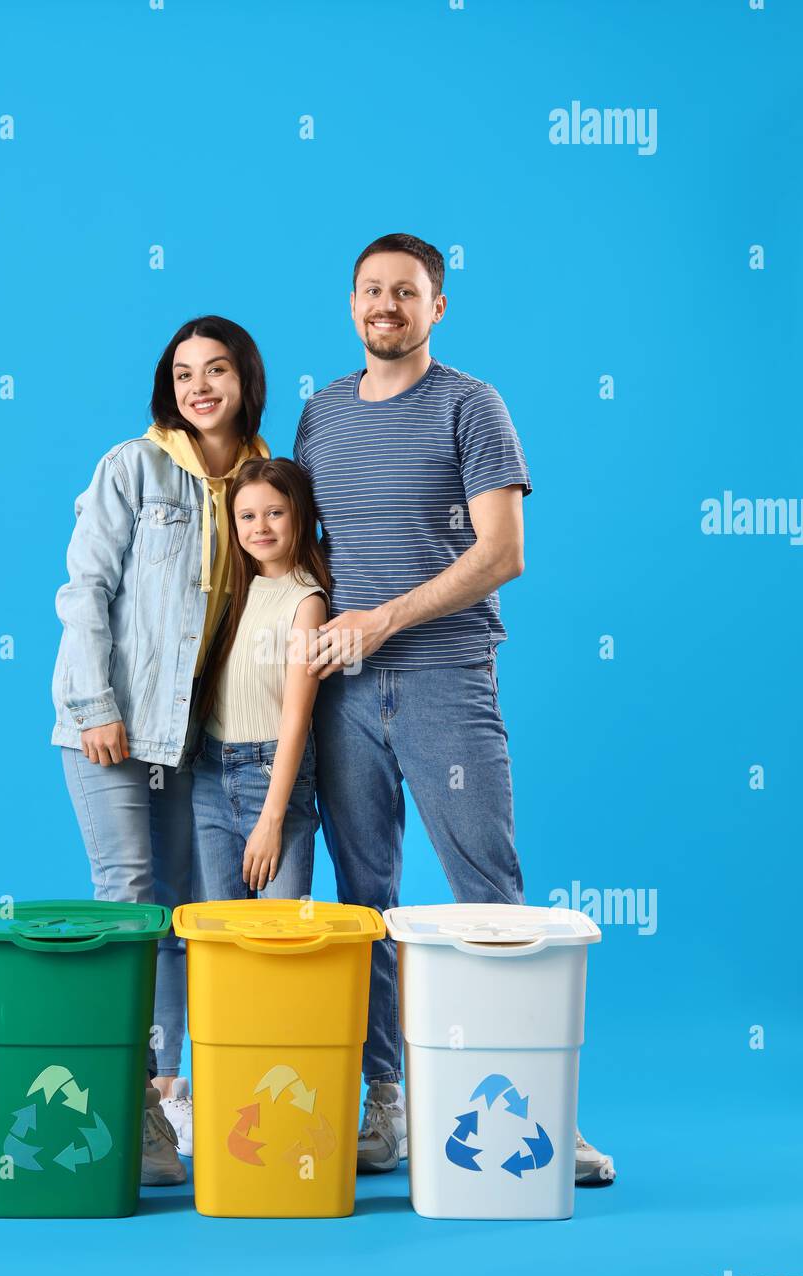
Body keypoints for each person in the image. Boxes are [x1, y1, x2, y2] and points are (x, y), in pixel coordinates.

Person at [294, 232, 615, 1187]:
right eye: (369, 291)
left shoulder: (473, 406)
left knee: (490, 898)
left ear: (437, 307)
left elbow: (503, 552)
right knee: (366, 905)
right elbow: (309, 549)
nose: (384, 305)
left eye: (405, 291)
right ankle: (385, 1105)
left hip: (445, 679)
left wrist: (382, 619)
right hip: (340, 696)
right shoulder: (319, 415)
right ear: (351, 305)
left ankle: (535, 1112)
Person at [50, 315, 270, 1185]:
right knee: (132, 901)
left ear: (247, 380)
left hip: (192, 740)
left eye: (217, 370)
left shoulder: (262, 480)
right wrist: (96, 702)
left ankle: (177, 1088)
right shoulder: (131, 468)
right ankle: (131, 1097)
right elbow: (84, 591)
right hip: (107, 727)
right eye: (184, 374)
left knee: (183, 915)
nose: (200, 387)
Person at [190, 458, 330, 901]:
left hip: (272, 777)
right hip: (211, 770)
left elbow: (296, 718)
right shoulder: (233, 590)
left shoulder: (306, 600)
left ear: (299, 515)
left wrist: (273, 819)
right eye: (247, 516)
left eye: (275, 512)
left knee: (278, 934)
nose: (261, 527)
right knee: (218, 932)